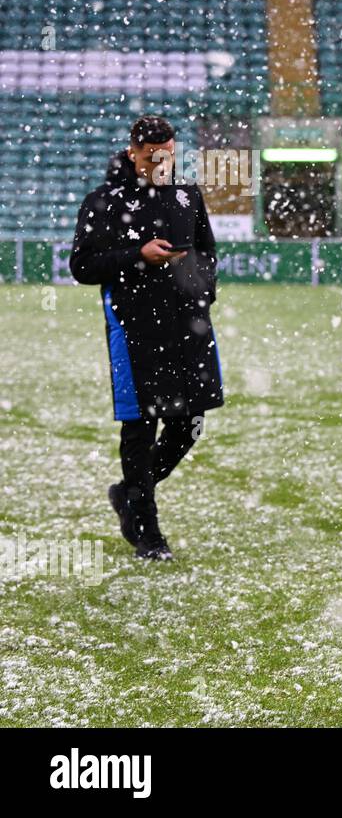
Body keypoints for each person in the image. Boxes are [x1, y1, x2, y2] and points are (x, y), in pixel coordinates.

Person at [70, 115, 224, 560]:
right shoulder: (103, 201)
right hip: (134, 326)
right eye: (151, 156)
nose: (160, 163)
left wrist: (202, 292)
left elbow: (206, 251)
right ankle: (148, 533)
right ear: (133, 152)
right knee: (140, 426)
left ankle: (130, 492)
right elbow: (82, 266)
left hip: (188, 326)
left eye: (167, 155)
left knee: (190, 424)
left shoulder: (187, 194)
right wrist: (137, 255)